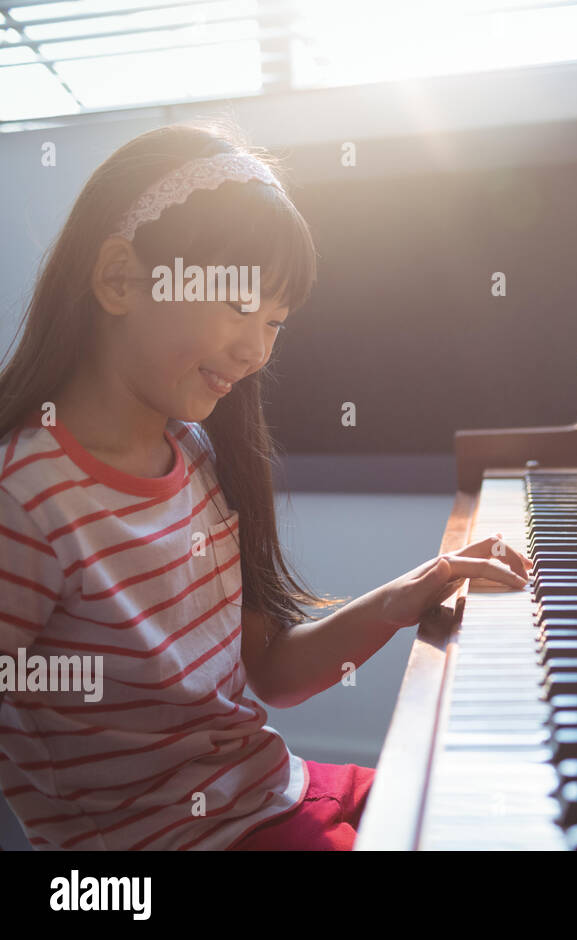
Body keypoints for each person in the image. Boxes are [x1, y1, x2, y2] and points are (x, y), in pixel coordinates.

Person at [0, 120, 530, 850]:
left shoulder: (195, 452)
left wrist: (406, 596)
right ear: (121, 278)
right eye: (241, 306)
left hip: (276, 793)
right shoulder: (27, 494)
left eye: (275, 321)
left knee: (494, 811)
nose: (256, 350)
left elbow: (273, 672)